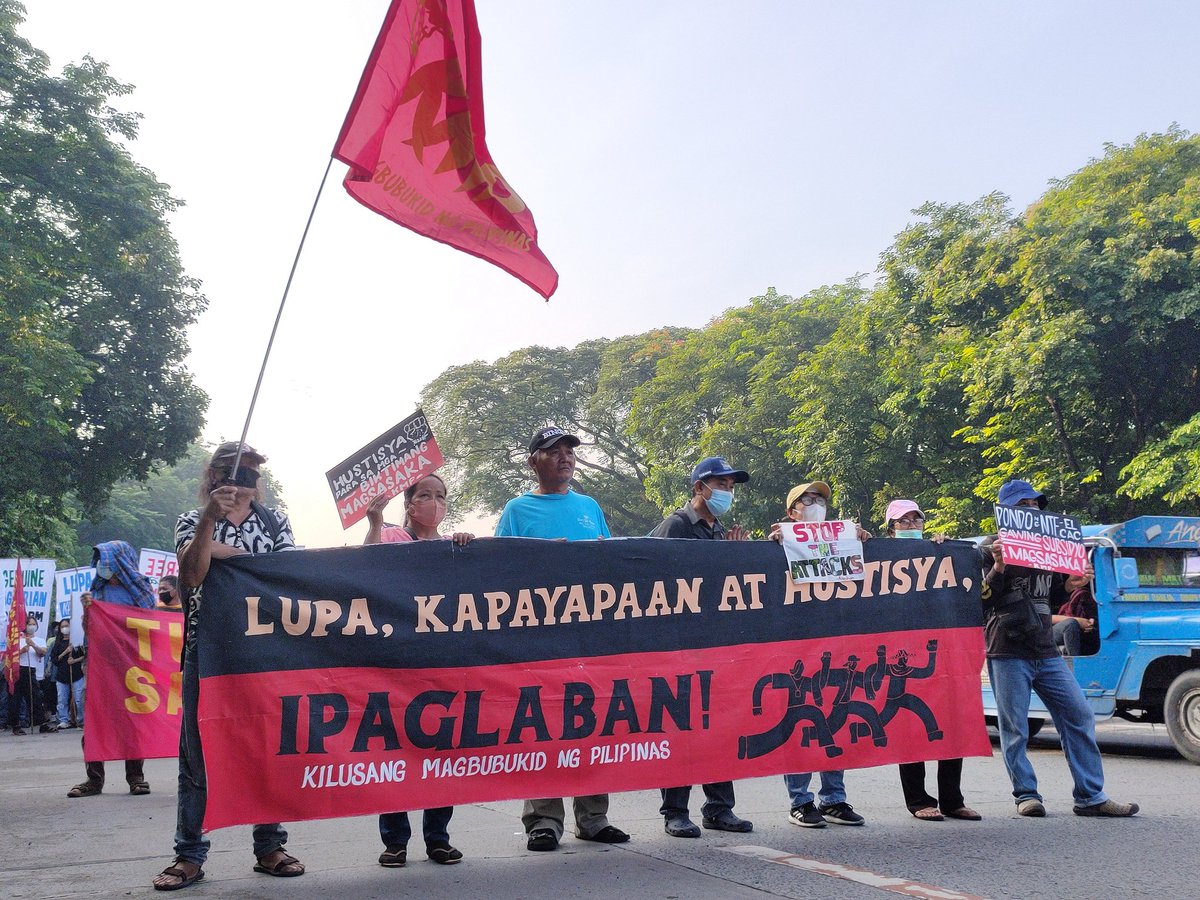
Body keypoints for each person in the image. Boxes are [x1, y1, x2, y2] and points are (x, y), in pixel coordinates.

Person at [153, 441, 305, 891]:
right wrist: (209, 529)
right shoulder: (191, 520)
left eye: (252, 474)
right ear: (215, 477)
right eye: (234, 472)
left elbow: (285, 573)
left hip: (264, 650)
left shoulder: (276, 522)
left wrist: (231, 555)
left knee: (267, 747)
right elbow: (192, 574)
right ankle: (189, 855)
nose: (243, 481)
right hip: (209, 648)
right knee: (197, 754)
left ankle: (270, 846)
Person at [494, 426, 630, 852]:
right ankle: (543, 821)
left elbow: (608, 560)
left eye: (569, 450)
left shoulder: (589, 506)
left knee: (594, 723)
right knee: (544, 724)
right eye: (554, 451)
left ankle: (593, 818)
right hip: (539, 637)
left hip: (590, 635)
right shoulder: (518, 510)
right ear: (534, 460)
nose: (565, 457)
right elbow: (495, 570)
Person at [984, 479, 1138, 818]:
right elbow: (982, 602)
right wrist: (998, 567)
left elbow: (1050, 598)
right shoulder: (989, 547)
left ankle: (1090, 796)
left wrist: (1070, 583)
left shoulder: (1048, 548)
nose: (1032, 509)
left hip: (1044, 649)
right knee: (1015, 727)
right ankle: (1026, 795)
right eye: (1023, 505)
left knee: (1079, 714)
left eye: (1036, 504)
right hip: (1007, 649)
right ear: (1006, 511)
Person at [364, 474, 472, 868]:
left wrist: (468, 549)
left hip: (441, 662)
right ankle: (395, 842)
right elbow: (365, 568)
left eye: (440, 495)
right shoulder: (392, 538)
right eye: (424, 495)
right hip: (397, 661)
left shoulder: (451, 546)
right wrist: (375, 523)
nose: (434, 502)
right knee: (394, 750)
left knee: (441, 751)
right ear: (408, 504)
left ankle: (438, 838)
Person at [650, 456, 753, 838]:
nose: (726, 492)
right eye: (720, 485)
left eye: (730, 486)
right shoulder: (676, 525)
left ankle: (719, 808)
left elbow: (723, 589)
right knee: (682, 728)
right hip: (678, 645)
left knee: (719, 727)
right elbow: (651, 579)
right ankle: (675, 811)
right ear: (699, 487)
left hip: (714, 645)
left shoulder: (719, 530)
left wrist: (734, 559)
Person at [770, 481, 870, 829]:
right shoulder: (779, 543)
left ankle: (834, 799)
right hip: (795, 650)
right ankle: (800, 800)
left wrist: (865, 542)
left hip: (835, 649)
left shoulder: (844, 542)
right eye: (806, 500)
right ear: (791, 511)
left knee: (836, 721)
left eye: (819, 500)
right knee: (801, 722)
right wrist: (771, 549)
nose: (814, 504)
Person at [882, 500, 981, 823]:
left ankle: (952, 799)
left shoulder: (938, 552)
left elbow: (973, 569)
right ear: (890, 529)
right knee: (911, 726)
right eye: (903, 522)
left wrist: (946, 548)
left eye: (916, 520)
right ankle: (918, 800)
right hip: (901, 653)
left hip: (941, 648)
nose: (911, 526)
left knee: (950, 720)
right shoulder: (878, 555)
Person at [68, 541, 154, 796]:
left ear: (121, 563)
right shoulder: (98, 592)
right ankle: (94, 780)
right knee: (95, 721)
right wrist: (88, 610)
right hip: (101, 664)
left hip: (132, 665)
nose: (103, 568)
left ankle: (136, 778)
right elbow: (90, 631)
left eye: (107, 562)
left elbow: (152, 627)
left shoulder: (142, 591)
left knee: (131, 722)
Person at [8, 614, 56, 735]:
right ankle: (16, 725)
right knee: (16, 699)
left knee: (35, 698)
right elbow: (10, 656)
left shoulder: (39, 640)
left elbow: (43, 653)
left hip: (30, 671)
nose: (32, 626)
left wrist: (33, 645)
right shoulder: (16, 640)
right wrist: (21, 650)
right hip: (18, 670)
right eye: (29, 624)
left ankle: (41, 724)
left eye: (34, 624)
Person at [54, 618, 86, 729]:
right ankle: (63, 720)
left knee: (79, 699)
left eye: (66, 626)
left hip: (77, 674)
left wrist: (75, 661)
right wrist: (65, 652)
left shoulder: (77, 642)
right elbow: (54, 659)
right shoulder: (57, 643)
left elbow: (84, 656)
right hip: (62, 676)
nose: (65, 628)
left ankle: (80, 720)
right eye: (62, 627)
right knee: (62, 699)